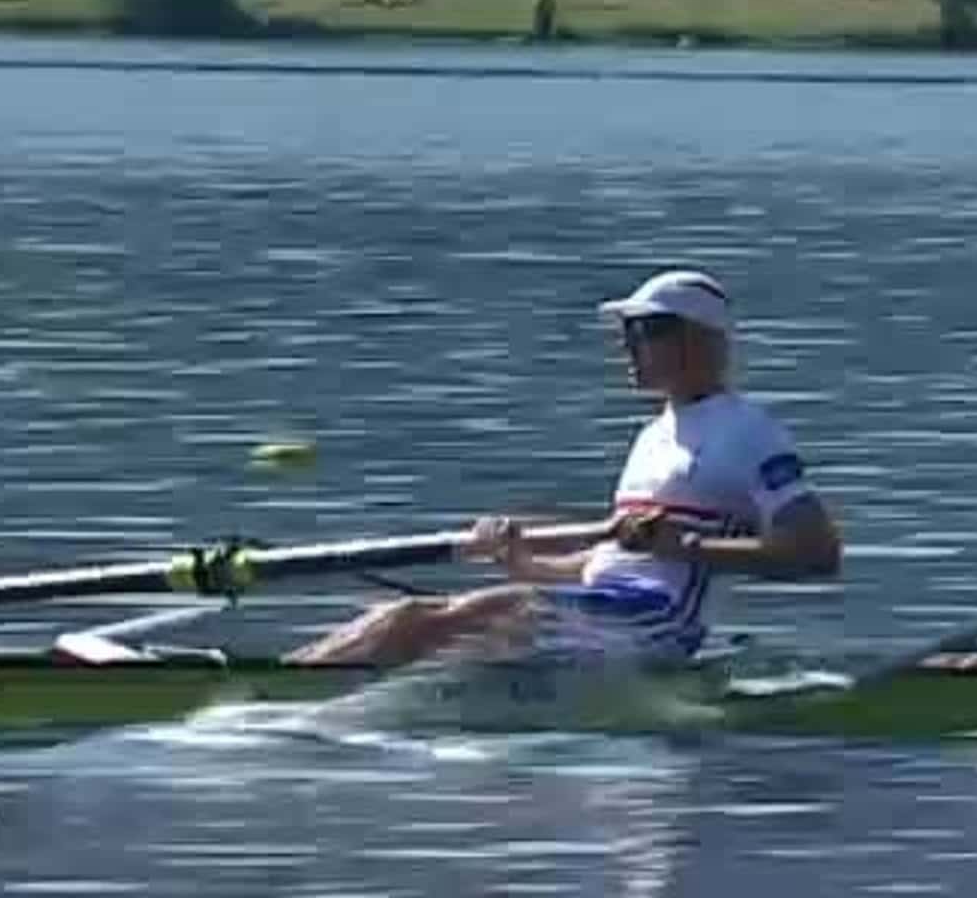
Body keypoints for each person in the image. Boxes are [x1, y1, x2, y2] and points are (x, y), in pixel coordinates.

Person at [285, 269, 841, 670]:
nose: (628, 347)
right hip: (606, 612)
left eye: (645, 332)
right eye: (627, 333)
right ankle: (289, 681)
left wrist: (686, 546)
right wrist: (523, 559)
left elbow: (816, 553)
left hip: (656, 624)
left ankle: (285, 699)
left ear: (699, 340)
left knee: (473, 612)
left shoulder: (750, 433)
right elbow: (611, 560)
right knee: (406, 616)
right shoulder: (654, 436)